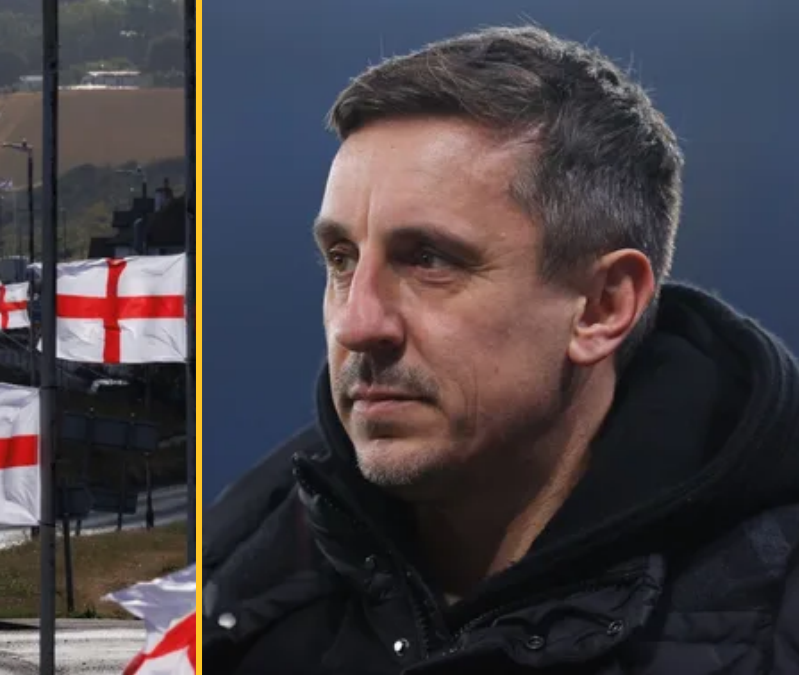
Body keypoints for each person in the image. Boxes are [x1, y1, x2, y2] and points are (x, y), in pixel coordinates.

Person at [203, 25, 799, 674]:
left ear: (602, 306)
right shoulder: (235, 568)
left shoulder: (775, 607)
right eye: (341, 259)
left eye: (429, 259)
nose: (356, 322)